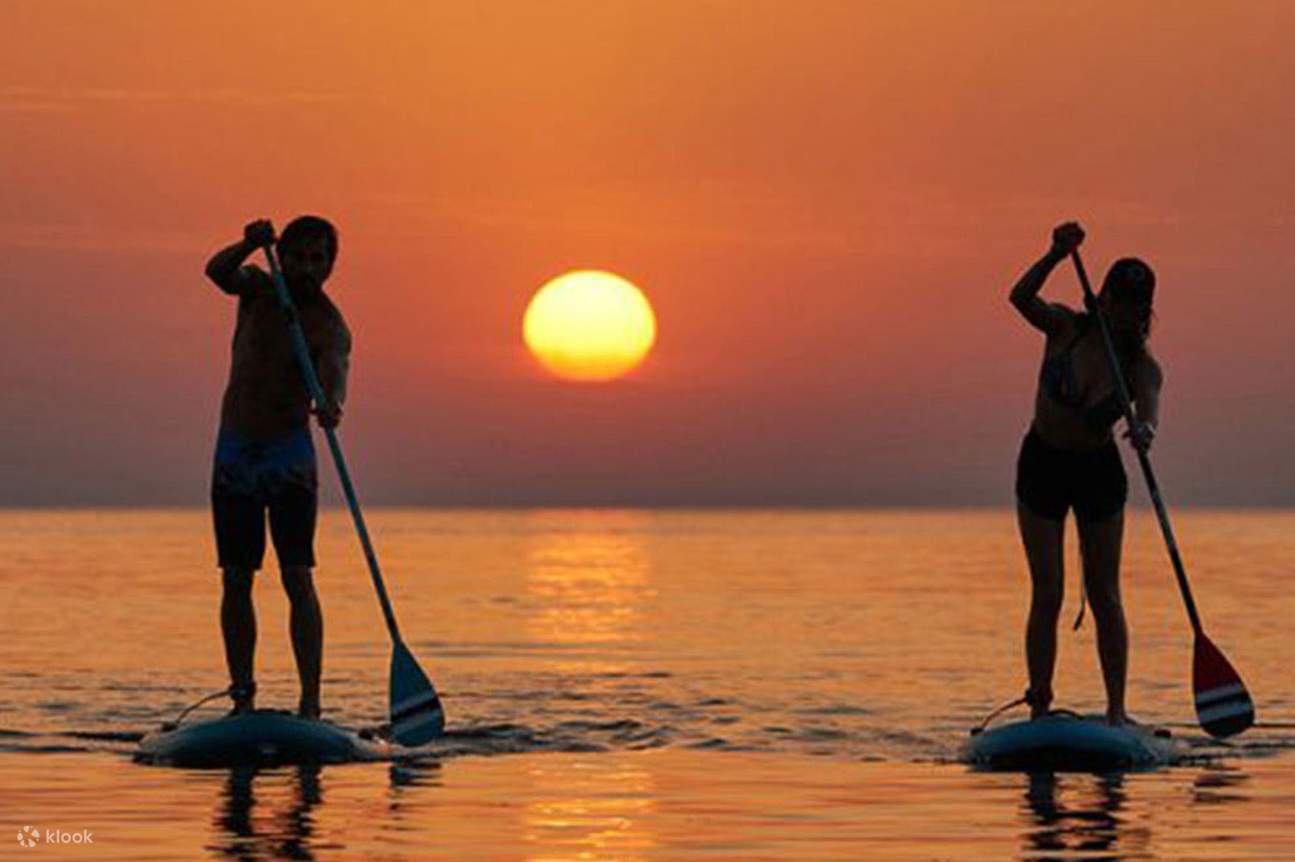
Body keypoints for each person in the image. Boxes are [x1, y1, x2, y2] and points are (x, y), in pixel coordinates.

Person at [1008, 221, 1161, 726]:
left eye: (1137, 306)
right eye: (1120, 302)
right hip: (1043, 463)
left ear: (1145, 312)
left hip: (1097, 472)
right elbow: (1019, 297)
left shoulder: (1139, 367)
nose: (1126, 313)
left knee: (1104, 594)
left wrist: (1144, 430)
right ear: (1104, 299)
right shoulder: (1065, 327)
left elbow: (1150, 411)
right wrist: (1056, 253)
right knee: (1048, 590)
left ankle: (1117, 711)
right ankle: (1040, 705)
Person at [204, 216, 351, 719]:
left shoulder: (329, 325)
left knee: (297, 576)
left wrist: (331, 405)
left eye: (318, 259)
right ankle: (242, 697)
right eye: (299, 257)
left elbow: (334, 376)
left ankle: (310, 703)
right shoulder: (257, 288)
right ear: (282, 257)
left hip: (288, 459)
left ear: (330, 265)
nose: (308, 268)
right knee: (236, 577)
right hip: (236, 453)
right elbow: (217, 273)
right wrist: (249, 243)